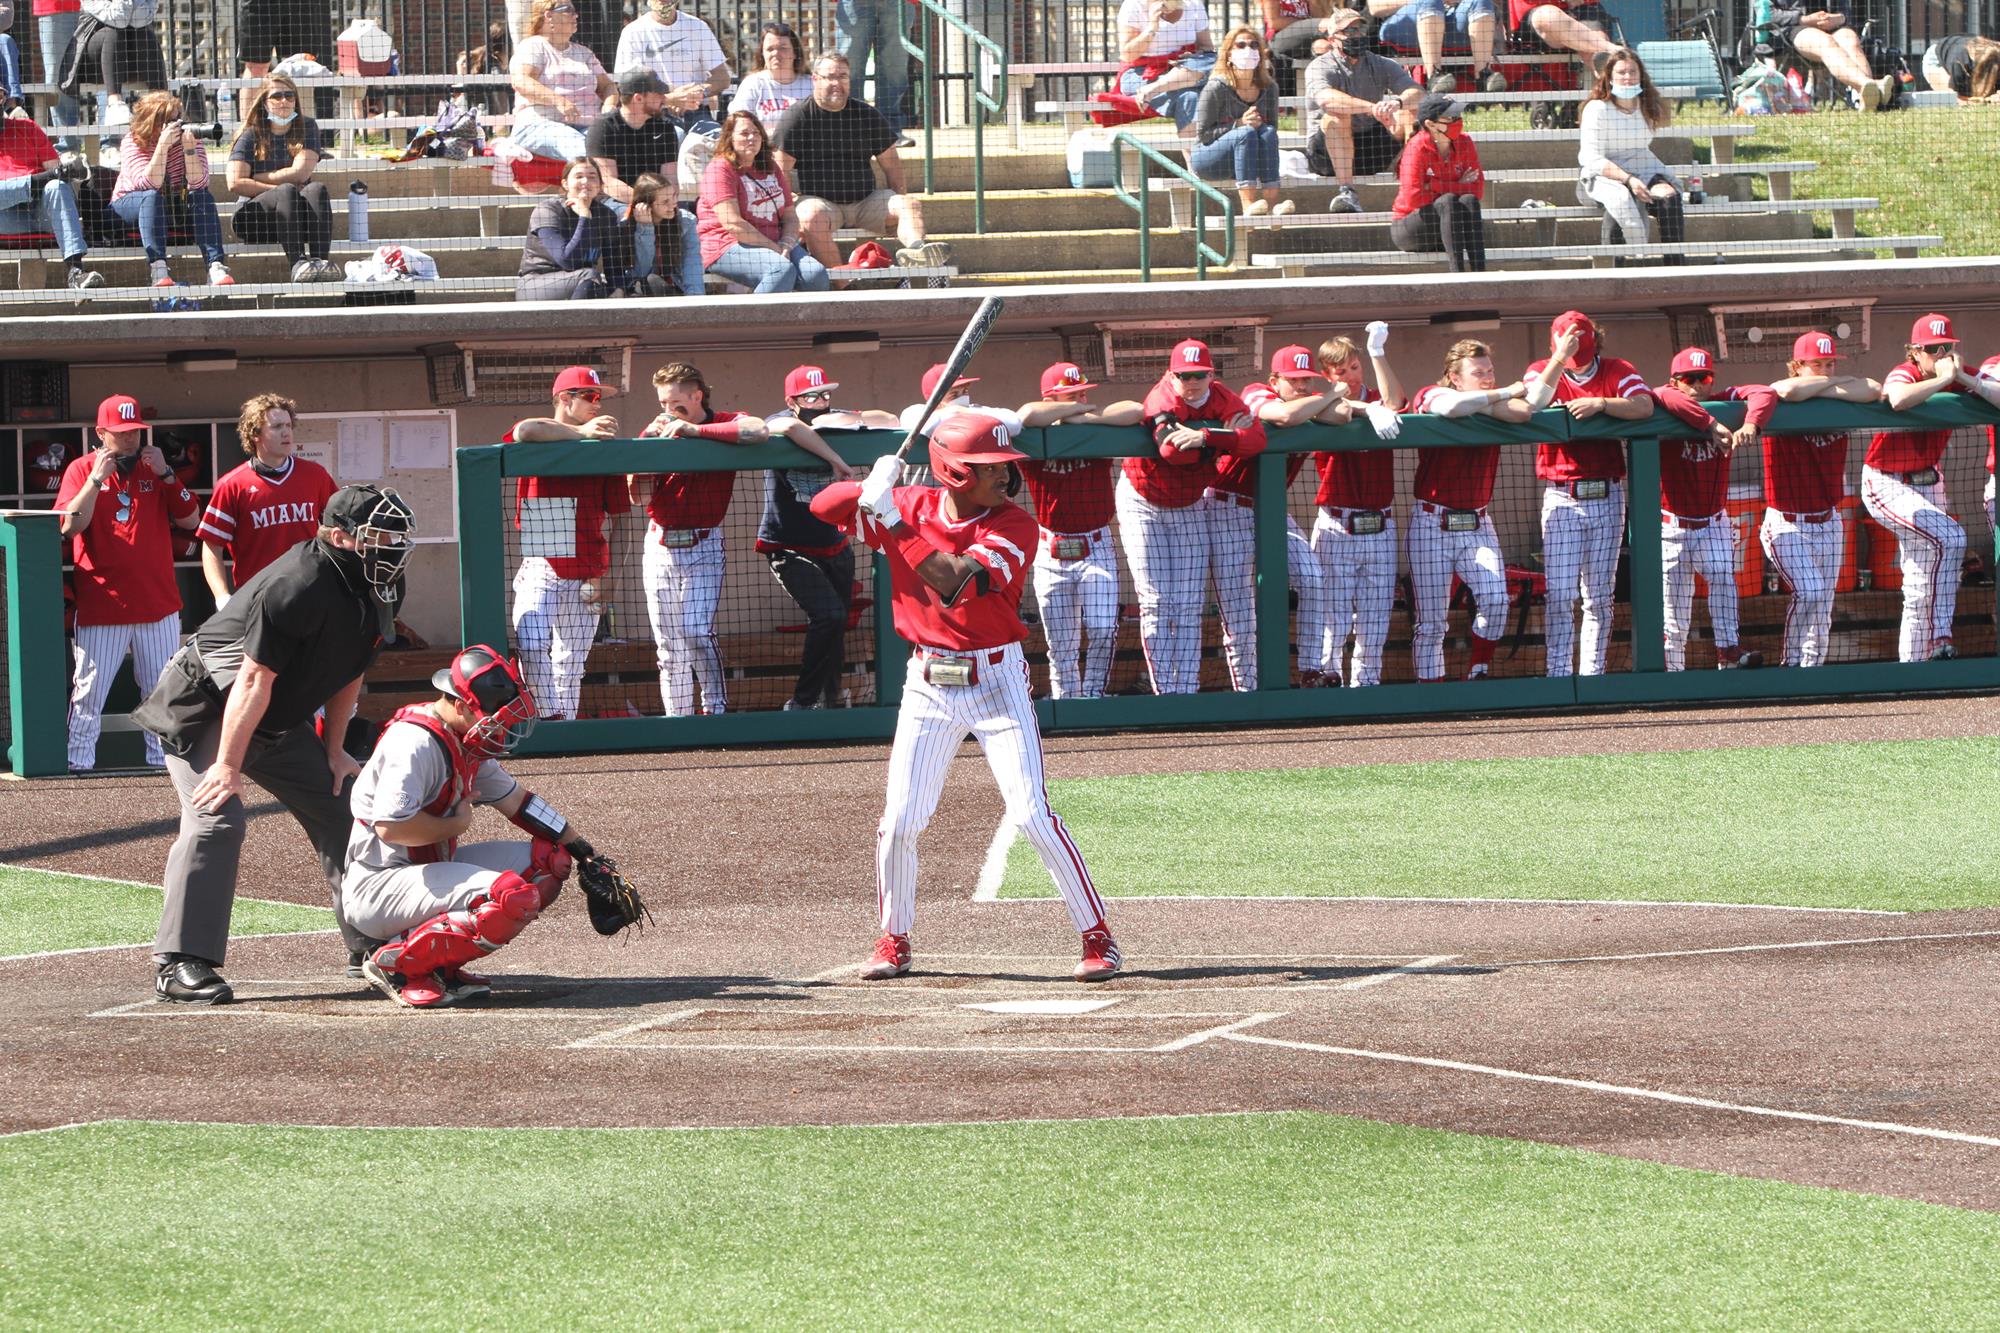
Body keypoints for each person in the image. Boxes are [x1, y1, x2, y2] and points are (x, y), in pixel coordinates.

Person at [812, 414, 1122, 983]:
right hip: (927, 684)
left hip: (997, 683)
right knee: (899, 820)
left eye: (1005, 467)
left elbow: (952, 580)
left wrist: (887, 517)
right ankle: (893, 939)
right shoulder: (909, 504)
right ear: (954, 472)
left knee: (1031, 814)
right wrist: (865, 486)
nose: (1005, 477)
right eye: (990, 469)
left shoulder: (1015, 524)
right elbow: (821, 510)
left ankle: (1097, 934)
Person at [130, 483, 414, 1004]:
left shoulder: (382, 581)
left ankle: (368, 940)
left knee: (342, 806)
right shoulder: (298, 582)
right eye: (379, 536)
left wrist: (333, 748)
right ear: (338, 536)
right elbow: (252, 679)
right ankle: (180, 961)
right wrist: (226, 766)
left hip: (270, 717)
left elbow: (352, 664)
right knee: (219, 817)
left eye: (397, 536)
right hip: (208, 707)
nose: (392, 546)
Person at [343, 644, 598, 1008]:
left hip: (424, 873)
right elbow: (391, 828)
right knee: (510, 895)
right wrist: (456, 824)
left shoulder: (465, 741)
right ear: (461, 705)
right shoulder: (413, 743)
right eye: (494, 714)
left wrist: (584, 851)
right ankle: (398, 966)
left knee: (550, 862)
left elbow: (518, 802)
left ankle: (442, 965)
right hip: (379, 884)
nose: (502, 724)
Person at [55, 392, 199, 771]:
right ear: (101, 433)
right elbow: (69, 526)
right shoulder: (80, 469)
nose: (131, 438)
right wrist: (95, 480)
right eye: (121, 432)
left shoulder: (157, 467)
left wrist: (167, 474)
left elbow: (191, 521)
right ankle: (78, 764)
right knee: (89, 693)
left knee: (161, 693)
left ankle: (162, 765)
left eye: (135, 430)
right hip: (103, 605)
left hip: (157, 605)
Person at [1405, 340, 1562, 680]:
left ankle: (1478, 670)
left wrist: (1558, 358)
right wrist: (1503, 395)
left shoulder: (1497, 398)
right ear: (1454, 377)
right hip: (1433, 522)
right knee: (1432, 620)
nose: (1488, 378)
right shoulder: (1431, 392)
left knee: (1495, 598)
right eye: (1478, 373)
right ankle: (1430, 691)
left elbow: (1526, 409)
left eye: (1490, 372)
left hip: (1477, 522)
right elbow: (1450, 407)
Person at [1120, 338, 1266, 695]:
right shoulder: (1162, 397)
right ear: (1172, 375)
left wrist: (1203, 436)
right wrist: (1226, 438)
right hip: (1143, 500)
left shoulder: (1222, 398)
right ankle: (1164, 694)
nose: (1192, 382)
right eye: (1184, 375)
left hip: (1188, 503)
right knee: (1156, 602)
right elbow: (1171, 450)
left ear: (1210, 374)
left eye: (1198, 374)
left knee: (1187, 602)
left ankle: (1185, 690)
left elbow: (1257, 439)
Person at [627, 361, 772, 717]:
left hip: (704, 543)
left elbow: (758, 431)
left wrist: (692, 430)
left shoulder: (723, 418)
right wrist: (652, 446)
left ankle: (715, 712)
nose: (668, 410)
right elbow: (638, 497)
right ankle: (678, 718)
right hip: (659, 543)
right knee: (668, 645)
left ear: (697, 395)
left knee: (695, 631)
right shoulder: (657, 429)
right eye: (663, 403)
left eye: (675, 403)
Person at [1524, 310, 1654, 678]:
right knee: (1561, 594)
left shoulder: (1615, 368)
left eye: (1583, 346)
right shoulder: (1542, 367)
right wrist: (1559, 358)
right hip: (1562, 496)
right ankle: (1558, 674)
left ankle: (1593, 675)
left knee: (1599, 596)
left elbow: (1644, 405)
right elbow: (1533, 402)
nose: (1578, 354)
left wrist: (1602, 404)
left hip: (1607, 494)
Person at [1015, 361, 1144, 699]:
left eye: (1082, 393)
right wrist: (1068, 410)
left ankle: (1093, 696)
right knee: (1060, 642)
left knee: (1103, 628)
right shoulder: (1033, 436)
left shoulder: (1095, 430)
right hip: (1050, 548)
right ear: (1051, 399)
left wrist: (1088, 414)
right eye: (1070, 395)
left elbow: (1136, 410)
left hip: (1095, 543)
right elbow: (1027, 413)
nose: (1079, 399)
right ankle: (1066, 700)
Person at [508, 365, 631, 720]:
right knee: (531, 645)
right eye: (590, 397)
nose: (598, 404)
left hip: (590, 565)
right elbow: (525, 430)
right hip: (544, 555)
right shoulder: (543, 438)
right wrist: (581, 433)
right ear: (564, 399)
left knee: (571, 661)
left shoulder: (603, 450)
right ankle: (549, 718)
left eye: (600, 398)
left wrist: (611, 579)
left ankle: (564, 730)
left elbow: (621, 518)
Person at [759, 364, 875, 711]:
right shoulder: (779, 421)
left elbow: (885, 417)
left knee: (837, 626)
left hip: (834, 544)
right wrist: (835, 459)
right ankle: (803, 703)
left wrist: (854, 418)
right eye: (811, 396)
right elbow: (790, 426)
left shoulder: (836, 420)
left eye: (826, 395)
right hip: (788, 546)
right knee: (830, 616)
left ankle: (833, 702)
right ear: (792, 399)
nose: (821, 402)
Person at [1294, 334, 1407, 687]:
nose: (1351, 375)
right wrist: (1367, 409)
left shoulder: (1375, 396)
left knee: (1375, 619)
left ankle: (1368, 687)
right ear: (1327, 375)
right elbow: (1340, 411)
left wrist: (1377, 353)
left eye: (1355, 367)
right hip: (1337, 525)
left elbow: (1395, 401)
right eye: (1341, 371)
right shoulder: (1320, 400)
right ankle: (1330, 685)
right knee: (1334, 616)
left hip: (1380, 522)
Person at [772, 53, 948, 274]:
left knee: (909, 204)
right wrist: (789, 212)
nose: (837, 83)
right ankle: (842, 283)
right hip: (820, 202)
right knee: (809, 217)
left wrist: (896, 201)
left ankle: (918, 251)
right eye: (830, 77)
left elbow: (891, 164)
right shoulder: (797, 116)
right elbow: (780, 169)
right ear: (815, 79)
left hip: (866, 200)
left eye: (843, 76)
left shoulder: (866, 114)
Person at [1654, 347, 1774, 671]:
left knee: (1723, 574)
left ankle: (1728, 654)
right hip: (1672, 526)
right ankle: (1671, 678)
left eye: (1703, 377)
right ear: (1675, 381)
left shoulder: (1725, 403)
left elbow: (1763, 392)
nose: (1697, 385)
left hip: (1712, 523)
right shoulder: (1667, 403)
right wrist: (1708, 423)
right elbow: (1659, 394)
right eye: (1688, 379)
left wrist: (1751, 424)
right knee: (1674, 616)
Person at [1762, 331, 1876, 669]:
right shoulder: (1783, 397)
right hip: (1787, 521)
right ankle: (1790, 666)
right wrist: (1835, 386)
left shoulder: (1835, 392)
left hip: (1828, 520)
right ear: (1797, 366)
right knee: (1810, 592)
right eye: (1817, 365)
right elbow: (1782, 389)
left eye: (1830, 364)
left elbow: (1873, 388)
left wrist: (1829, 382)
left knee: (1823, 605)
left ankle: (1812, 672)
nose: (1825, 370)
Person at [1862, 313, 1969, 662]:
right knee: (1952, 538)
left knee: (1920, 589)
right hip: (1886, 481)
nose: (1939, 355)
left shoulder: (1953, 376)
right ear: (1915, 351)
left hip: (1927, 481)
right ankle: (1941, 634)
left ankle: (1913, 670)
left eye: (1946, 348)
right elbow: (1896, 398)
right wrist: (1944, 380)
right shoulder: (1905, 371)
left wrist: (1965, 377)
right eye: (1932, 349)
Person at [198, 392, 336, 610]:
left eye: (289, 426)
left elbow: (338, 528)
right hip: (257, 598)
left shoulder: (315, 475)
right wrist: (222, 596)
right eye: (277, 427)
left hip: (309, 591)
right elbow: (212, 545)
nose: (286, 433)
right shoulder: (232, 485)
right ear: (255, 435)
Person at [585, 68, 703, 295]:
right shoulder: (603, 127)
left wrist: (662, 202)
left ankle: (694, 296)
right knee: (626, 219)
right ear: (638, 98)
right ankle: (628, 283)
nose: (663, 99)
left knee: (687, 219)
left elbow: (670, 177)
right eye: (657, 94)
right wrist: (648, 203)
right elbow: (608, 182)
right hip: (616, 202)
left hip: (658, 199)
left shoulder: (665, 127)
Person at [698, 109, 829, 294]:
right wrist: (775, 249)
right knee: (780, 270)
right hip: (726, 244)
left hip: (776, 241)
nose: (751, 137)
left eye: (756, 133)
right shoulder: (720, 169)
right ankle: (753, 322)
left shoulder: (771, 166)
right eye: (744, 133)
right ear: (729, 138)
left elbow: (790, 215)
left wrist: (786, 243)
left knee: (815, 275)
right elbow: (733, 224)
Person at [1304, 8, 1420, 214]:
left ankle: (1414, 182)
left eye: (1359, 29)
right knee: (1337, 116)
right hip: (1326, 156)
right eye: (1349, 31)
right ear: (1332, 39)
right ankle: (1347, 192)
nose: (1357, 35)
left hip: (1369, 151)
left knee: (1408, 111)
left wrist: (1397, 103)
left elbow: (1418, 92)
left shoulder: (1380, 63)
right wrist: (1372, 107)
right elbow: (1326, 99)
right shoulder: (1319, 66)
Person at [110, 90, 231, 287]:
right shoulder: (131, 141)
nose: (177, 125)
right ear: (151, 123)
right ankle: (158, 268)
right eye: (169, 121)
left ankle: (215, 266)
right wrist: (162, 147)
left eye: (178, 119)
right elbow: (148, 184)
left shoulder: (189, 139)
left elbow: (199, 184)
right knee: (150, 196)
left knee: (202, 197)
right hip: (129, 206)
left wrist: (189, 150)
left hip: (172, 207)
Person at [226, 76, 337, 283]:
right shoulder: (251, 135)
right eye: (276, 96)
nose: (284, 101)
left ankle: (320, 264)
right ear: (264, 103)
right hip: (254, 221)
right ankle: (298, 265)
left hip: (295, 221)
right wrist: (278, 192)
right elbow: (235, 183)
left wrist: (257, 178)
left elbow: (301, 173)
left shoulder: (307, 127)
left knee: (317, 189)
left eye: (289, 95)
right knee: (286, 190)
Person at [1578, 48, 1685, 263]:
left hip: (1642, 167)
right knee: (1619, 203)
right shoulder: (1597, 109)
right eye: (1621, 72)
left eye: (1632, 72)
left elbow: (1641, 150)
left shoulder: (1647, 106)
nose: (1627, 77)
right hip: (1600, 176)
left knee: (1669, 199)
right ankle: (1613, 277)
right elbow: (1591, 158)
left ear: (1641, 75)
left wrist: (1652, 181)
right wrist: (1629, 180)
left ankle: (1677, 269)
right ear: (1609, 77)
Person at [611, 0, 727, 194]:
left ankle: (711, 203)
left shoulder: (697, 26)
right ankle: (673, 204)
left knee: (718, 140)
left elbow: (722, 78)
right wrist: (669, 98)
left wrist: (698, 93)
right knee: (677, 138)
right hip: (652, 115)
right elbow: (626, 88)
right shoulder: (633, 32)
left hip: (696, 110)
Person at [516, 156, 657, 300]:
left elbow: (613, 263)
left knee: (622, 290)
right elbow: (567, 261)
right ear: (565, 183)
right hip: (536, 284)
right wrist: (584, 216)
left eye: (592, 177)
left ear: (600, 185)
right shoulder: (548, 210)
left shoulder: (605, 215)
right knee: (589, 276)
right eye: (579, 176)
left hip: (582, 282)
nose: (585, 182)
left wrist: (618, 288)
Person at [0, 106, 101, 289]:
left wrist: (55, 175)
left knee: (57, 185)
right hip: (5, 218)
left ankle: (75, 272)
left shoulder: (27, 127)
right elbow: (58, 171)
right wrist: (51, 175)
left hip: (40, 212)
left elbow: (56, 171)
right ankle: (36, 182)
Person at [1191, 26, 1287, 217]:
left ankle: (1271, 208)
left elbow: (1272, 129)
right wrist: (1238, 124)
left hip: (1248, 157)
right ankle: (1248, 206)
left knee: (1267, 132)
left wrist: (1259, 125)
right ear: (1228, 54)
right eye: (1241, 45)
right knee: (1246, 133)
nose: (1248, 50)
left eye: (1253, 45)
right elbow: (1204, 135)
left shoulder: (1270, 88)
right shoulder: (1216, 88)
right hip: (1210, 159)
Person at [1392, 93, 1486, 272]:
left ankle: (1479, 274)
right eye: (1450, 117)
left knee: (1469, 201)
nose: (1457, 121)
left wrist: (1434, 184)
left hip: (1449, 226)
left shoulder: (1464, 142)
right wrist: (1458, 184)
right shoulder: (1416, 147)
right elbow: (1414, 199)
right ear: (1431, 124)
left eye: (1458, 116)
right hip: (1410, 229)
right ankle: (1457, 276)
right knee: (1449, 201)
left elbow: (1477, 190)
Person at [509, 0, 612, 162]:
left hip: (587, 125)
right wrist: (559, 101)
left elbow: (607, 86)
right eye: (568, 10)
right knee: (585, 153)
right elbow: (521, 81)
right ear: (549, 15)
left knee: (615, 150)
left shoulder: (584, 53)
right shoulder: (533, 46)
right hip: (541, 123)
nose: (575, 15)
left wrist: (609, 108)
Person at [1762, 0, 1896, 111]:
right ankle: (1868, 85)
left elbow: (1845, 11)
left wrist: (1839, 18)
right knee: (1826, 42)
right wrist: (1804, 19)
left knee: (1850, 40)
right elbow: (1767, 14)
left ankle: (1866, 99)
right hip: (1793, 30)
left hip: (1830, 26)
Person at [1117, 0, 1216, 134]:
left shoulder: (1194, 4)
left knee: (1193, 92)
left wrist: (1192, 56)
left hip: (1185, 69)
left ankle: (1152, 90)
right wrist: (1152, 27)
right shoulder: (1133, 5)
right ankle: (1198, 154)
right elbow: (1127, 55)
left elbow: (1207, 48)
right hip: (1141, 74)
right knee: (1192, 94)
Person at [1370, 0, 1505, 94]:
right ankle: (1434, 75)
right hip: (1404, 28)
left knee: (1481, 2)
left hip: (1448, 23)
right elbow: (1374, 7)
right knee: (1431, 0)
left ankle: (1483, 74)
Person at [236, 0, 331, 120]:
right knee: (257, 67)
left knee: (301, 64)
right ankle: (249, 133)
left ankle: (302, 134)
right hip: (260, 4)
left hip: (300, 5)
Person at [834, 0, 914, 132]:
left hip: (899, 3)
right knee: (848, 67)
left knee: (893, 67)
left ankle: (889, 132)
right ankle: (851, 130)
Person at [729, 20, 814, 133]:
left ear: (795, 53)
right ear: (762, 54)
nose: (775, 54)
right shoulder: (752, 84)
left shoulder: (811, 84)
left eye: (783, 48)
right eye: (770, 49)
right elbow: (738, 124)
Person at [34, 0, 85, 148]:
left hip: (104, 6)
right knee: (57, 76)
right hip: (56, 6)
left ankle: (110, 145)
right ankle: (68, 146)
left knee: (106, 69)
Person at [1506, 0, 1617, 66]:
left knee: (1596, 51)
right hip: (1537, 13)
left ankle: (1617, 98)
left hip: (1583, 7)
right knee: (1550, 16)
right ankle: (1615, 50)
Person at [1921, 34, 2000, 104]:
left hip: (1959, 51)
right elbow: (1958, 98)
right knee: (1951, 98)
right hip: (1936, 60)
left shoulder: (1996, 52)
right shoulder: (1959, 62)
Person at [1263, 0, 1337, 67]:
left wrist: (1314, 2)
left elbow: (1316, 19)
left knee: (1324, 46)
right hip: (1279, 40)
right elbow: (1274, 23)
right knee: (1329, 24)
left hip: (1303, 42)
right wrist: (1304, 23)